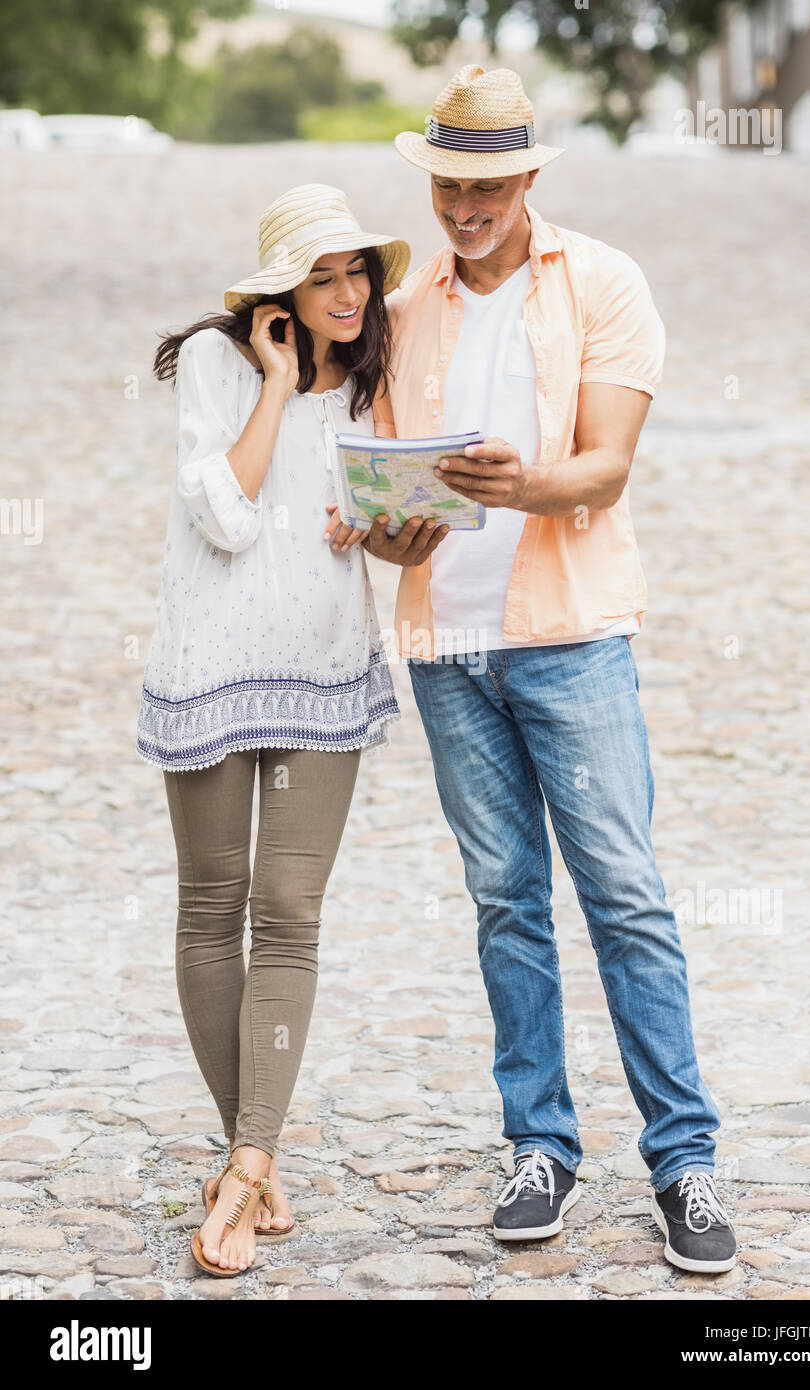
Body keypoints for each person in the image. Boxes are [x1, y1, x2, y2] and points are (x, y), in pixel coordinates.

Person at [360, 65, 737, 1272]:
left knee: (622, 895)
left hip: (570, 639)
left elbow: (605, 466)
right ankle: (539, 1146)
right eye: (449, 187)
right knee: (504, 903)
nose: (465, 209)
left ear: (524, 177)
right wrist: (391, 528)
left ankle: (684, 1163)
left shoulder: (602, 283)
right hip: (444, 649)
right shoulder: (403, 303)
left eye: (486, 186)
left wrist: (518, 483)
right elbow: (376, 497)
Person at [137, 184, 408, 1276]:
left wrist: (388, 521)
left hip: (323, 671)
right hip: (210, 664)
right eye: (325, 276)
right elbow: (228, 512)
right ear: (280, 293)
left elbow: (392, 535)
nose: (347, 294)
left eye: (358, 274)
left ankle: (248, 1162)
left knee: (286, 913)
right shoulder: (219, 365)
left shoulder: (376, 382)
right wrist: (282, 384)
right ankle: (248, 1147)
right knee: (213, 908)